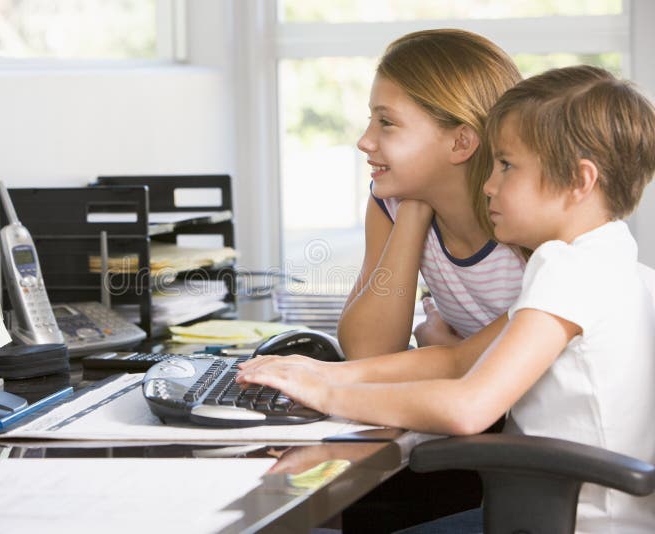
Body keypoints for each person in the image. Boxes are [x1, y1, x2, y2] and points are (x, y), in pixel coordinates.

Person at [239, 65, 655, 532]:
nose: (490, 184)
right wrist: (321, 371)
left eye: (507, 166)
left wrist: (328, 392)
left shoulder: (567, 269)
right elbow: (460, 360)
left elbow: (467, 407)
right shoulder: (615, 262)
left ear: (580, 181)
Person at [338, 29, 526, 358]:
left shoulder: (529, 219)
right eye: (371, 118)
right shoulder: (391, 204)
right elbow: (366, 351)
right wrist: (413, 213)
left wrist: (447, 351)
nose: (364, 141)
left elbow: (545, 366)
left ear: (460, 142)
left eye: (386, 122)